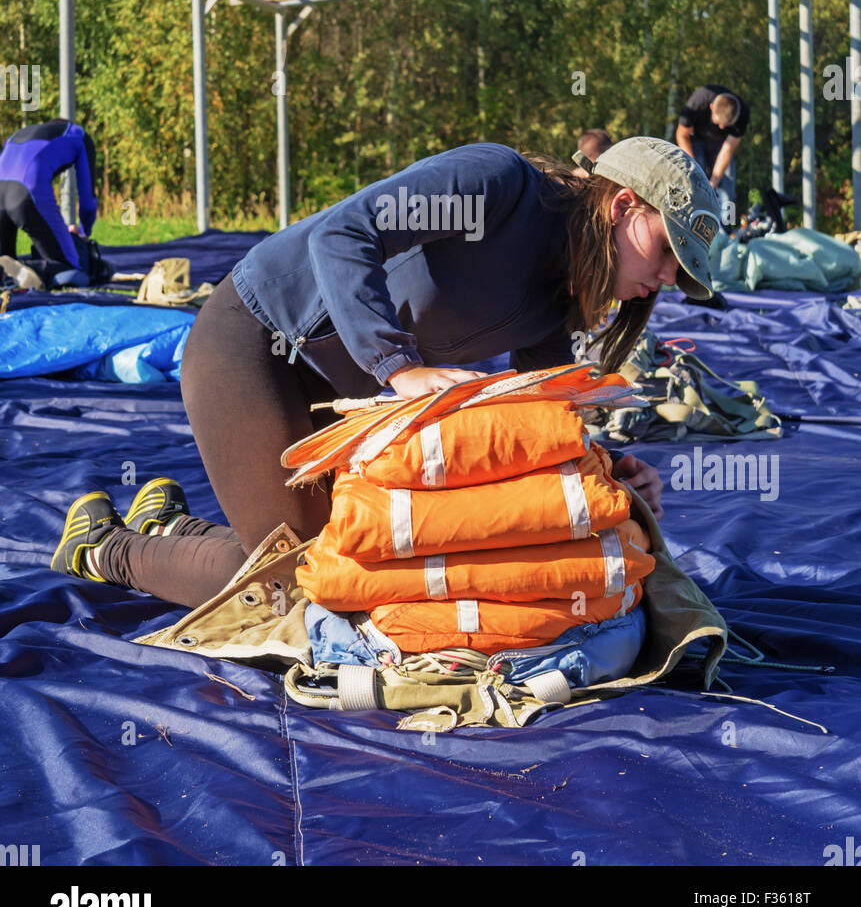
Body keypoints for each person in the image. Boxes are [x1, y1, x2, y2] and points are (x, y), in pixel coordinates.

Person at [50, 138, 721, 610]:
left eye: (681, 275)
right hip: (252, 341)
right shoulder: (500, 184)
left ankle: (169, 528)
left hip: (337, 396)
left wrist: (604, 469)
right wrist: (398, 369)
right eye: (667, 251)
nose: (666, 278)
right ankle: (103, 549)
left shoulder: (557, 293)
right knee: (293, 578)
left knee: (364, 561)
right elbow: (342, 235)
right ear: (622, 204)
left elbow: (537, 420)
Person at [0, 118, 110, 286]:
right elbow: (87, 201)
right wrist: (85, 231)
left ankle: (10, 274)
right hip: (26, 190)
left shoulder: (19, 134)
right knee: (69, 269)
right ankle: (31, 269)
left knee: (4, 262)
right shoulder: (78, 134)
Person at [675, 85, 749, 227]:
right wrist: (694, 169)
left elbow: (728, 148)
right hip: (695, 140)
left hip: (721, 145)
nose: (721, 127)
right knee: (693, 183)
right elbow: (682, 135)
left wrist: (714, 181)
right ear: (710, 107)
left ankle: (725, 230)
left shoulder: (742, 113)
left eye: (726, 125)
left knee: (727, 188)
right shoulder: (697, 102)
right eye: (719, 123)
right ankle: (689, 225)